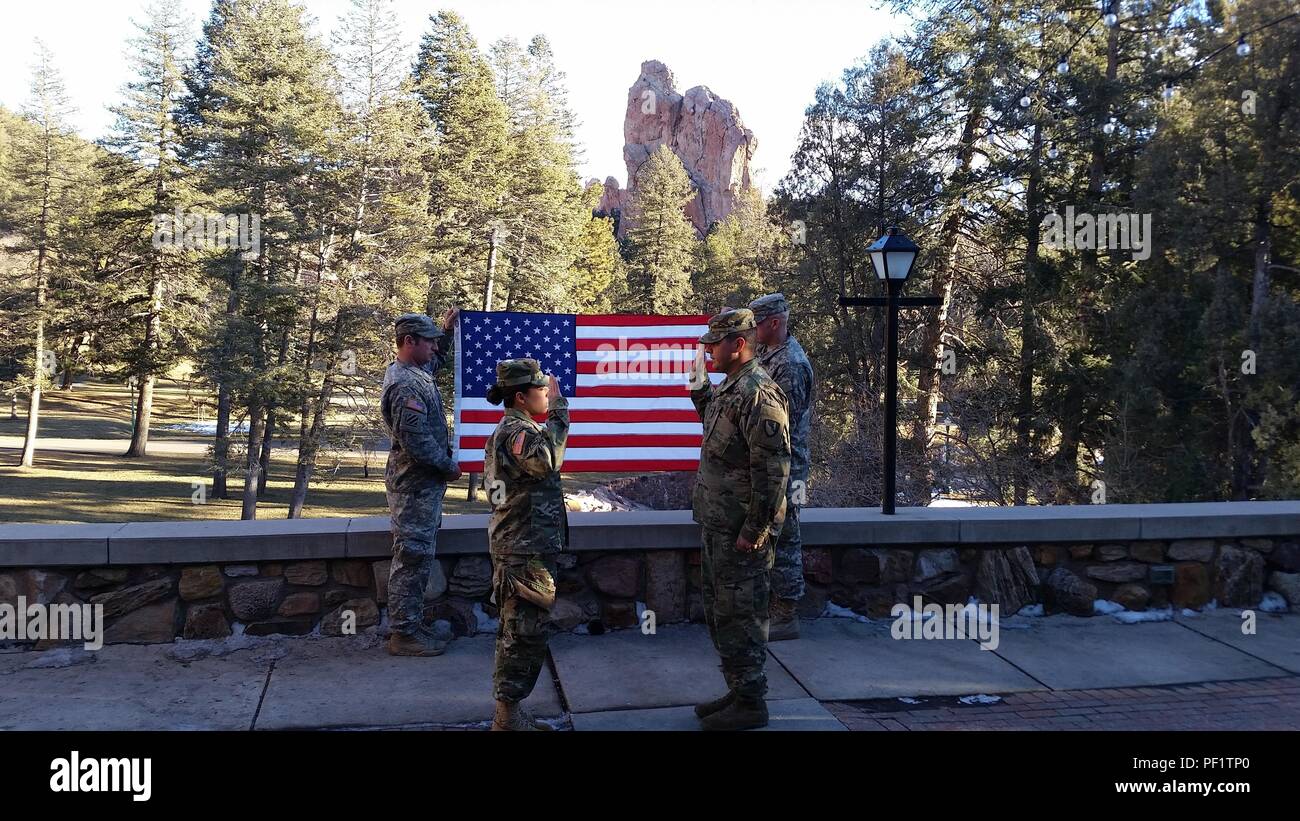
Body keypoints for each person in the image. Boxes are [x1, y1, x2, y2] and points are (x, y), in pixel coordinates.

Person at [689, 309, 791, 731]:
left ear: (739, 344)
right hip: (719, 525)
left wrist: (755, 529)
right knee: (722, 612)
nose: (708, 349)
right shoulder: (730, 390)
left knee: (743, 614)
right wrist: (699, 383)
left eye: (715, 343)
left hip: (742, 533)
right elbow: (714, 426)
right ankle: (738, 689)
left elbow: (774, 471)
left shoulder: (760, 395)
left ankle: (752, 702)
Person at [482, 358, 570, 731]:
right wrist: (561, 412)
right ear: (520, 397)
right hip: (523, 551)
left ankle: (510, 715)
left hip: (523, 546)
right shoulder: (521, 434)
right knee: (523, 634)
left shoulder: (516, 429)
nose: (548, 394)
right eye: (542, 390)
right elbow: (549, 462)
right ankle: (508, 719)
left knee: (518, 630)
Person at [380, 311, 461, 656]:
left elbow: (436, 362)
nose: (434, 346)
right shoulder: (405, 385)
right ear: (409, 341)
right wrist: (448, 466)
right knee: (411, 559)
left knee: (419, 557)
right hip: (414, 486)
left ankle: (412, 624)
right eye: (427, 340)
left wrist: (446, 330)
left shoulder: (415, 372)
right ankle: (403, 635)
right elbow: (417, 441)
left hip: (420, 486)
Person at [749, 293, 814, 641]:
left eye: (757, 324)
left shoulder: (790, 364)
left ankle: (786, 614)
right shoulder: (768, 355)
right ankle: (771, 606)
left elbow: (779, 423)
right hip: (769, 463)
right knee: (769, 534)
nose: (753, 330)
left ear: (774, 323)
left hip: (787, 467)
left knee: (785, 536)